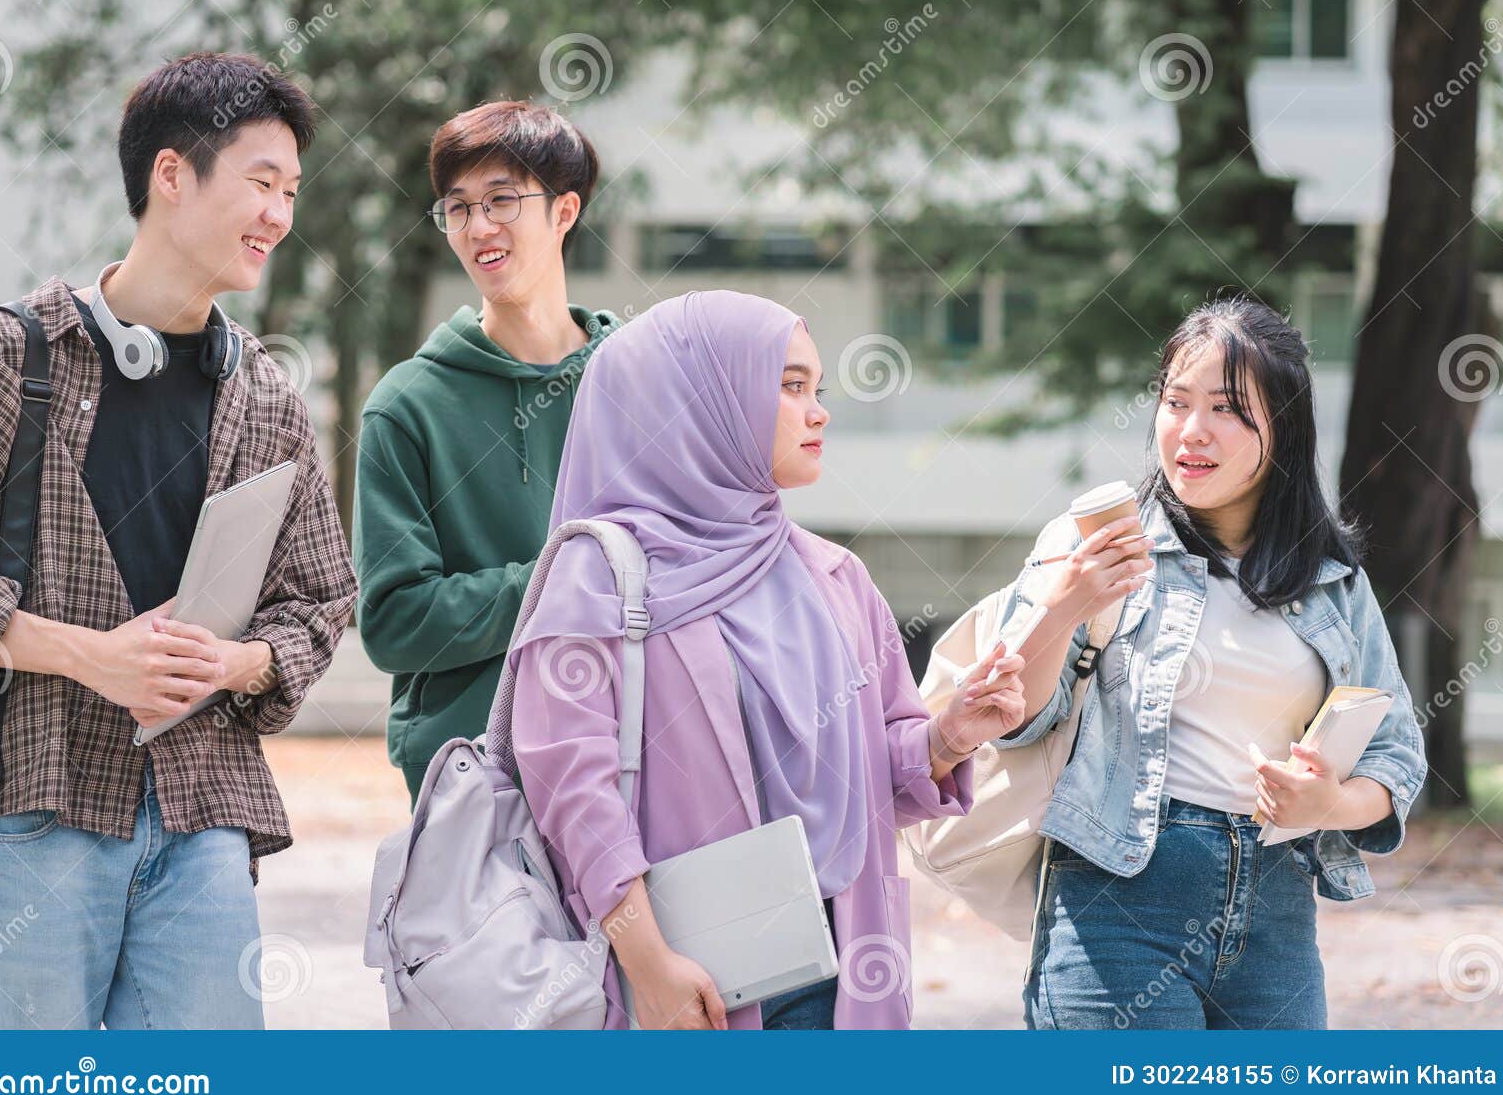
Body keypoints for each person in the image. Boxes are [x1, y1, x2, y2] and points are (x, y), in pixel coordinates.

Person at [0, 52, 357, 1028]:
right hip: (42, 807)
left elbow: (321, 599)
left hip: (204, 816)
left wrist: (236, 660)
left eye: (291, 192)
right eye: (260, 182)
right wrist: (98, 660)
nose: (279, 216)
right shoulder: (12, 355)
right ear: (172, 176)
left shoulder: (265, 394)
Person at [508, 290, 1029, 1029]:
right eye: (789, 386)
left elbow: (878, 775)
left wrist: (950, 735)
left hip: (842, 970)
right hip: (689, 981)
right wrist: (650, 965)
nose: (818, 412)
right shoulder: (599, 577)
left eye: (817, 389)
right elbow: (572, 791)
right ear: (698, 403)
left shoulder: (835, 579)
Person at [930, 296, 1427, 1029]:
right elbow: (1016, 721)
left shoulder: (1332, 578)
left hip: (1277, 916)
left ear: (1282, 429)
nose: (1192, 431)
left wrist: (1329, 805)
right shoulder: (1094, 539)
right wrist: (1063, 603)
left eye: (1227, 408)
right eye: (1176, 402)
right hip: (1119, 902)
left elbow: (1394, 756)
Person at [353, 101, 620, 802]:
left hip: (634, 755)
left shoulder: (639, 380)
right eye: (459, 207)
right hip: (478, 782)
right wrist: (559, 587)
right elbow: (392, 622)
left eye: (503, 200)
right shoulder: (406, 405)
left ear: (564, 212)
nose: (479, 227)